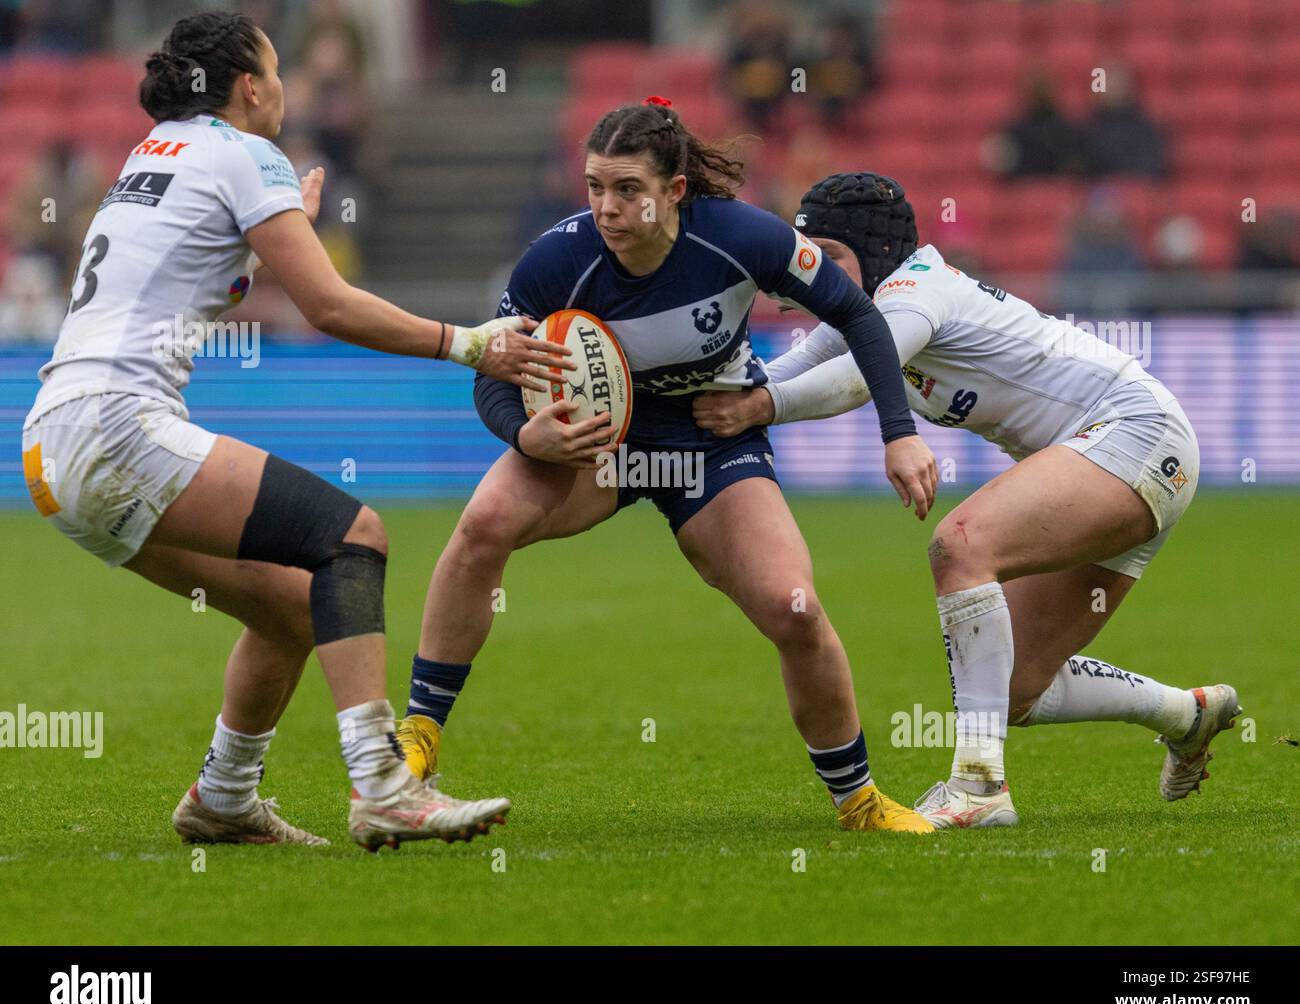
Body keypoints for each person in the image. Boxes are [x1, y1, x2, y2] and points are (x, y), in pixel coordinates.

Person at [19, 12, 571, 851]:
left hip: (53, 446)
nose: (288, 87)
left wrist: (281, 231)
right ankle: (383, 786)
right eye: (278, 71)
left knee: (291, 605)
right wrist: (470, 344)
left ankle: (223, 797)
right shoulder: (246, 154)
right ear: (249, 86)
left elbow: (186, 270)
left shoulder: (151, 154)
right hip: (115, 426)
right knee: (353, 536)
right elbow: (329, 306)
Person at [396, 99, 940, 834]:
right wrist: (526, 437)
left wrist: (898, 434)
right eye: (595, 187)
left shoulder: (745, 237)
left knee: (795, 609)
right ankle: (419, 739)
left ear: (675, 190)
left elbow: (860, 316)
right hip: (599, 447)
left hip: (711, 441)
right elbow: (494, 373)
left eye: (628, 190)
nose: (606, 208)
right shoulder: (557, 260)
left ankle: (859, 801)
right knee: (483, 525)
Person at [692, 172, 1240, 828]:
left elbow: (851, 381)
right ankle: (1187, 714)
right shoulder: (863, 310)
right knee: (1015, 685)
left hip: (1133, 432)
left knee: (961, 546)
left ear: (875, 252)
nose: (814, 276)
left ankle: (978, 788)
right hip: (1124, 455)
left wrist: (761, 407)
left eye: (828, 257)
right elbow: (777, 374)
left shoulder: (914, 290)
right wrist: (684, 399)